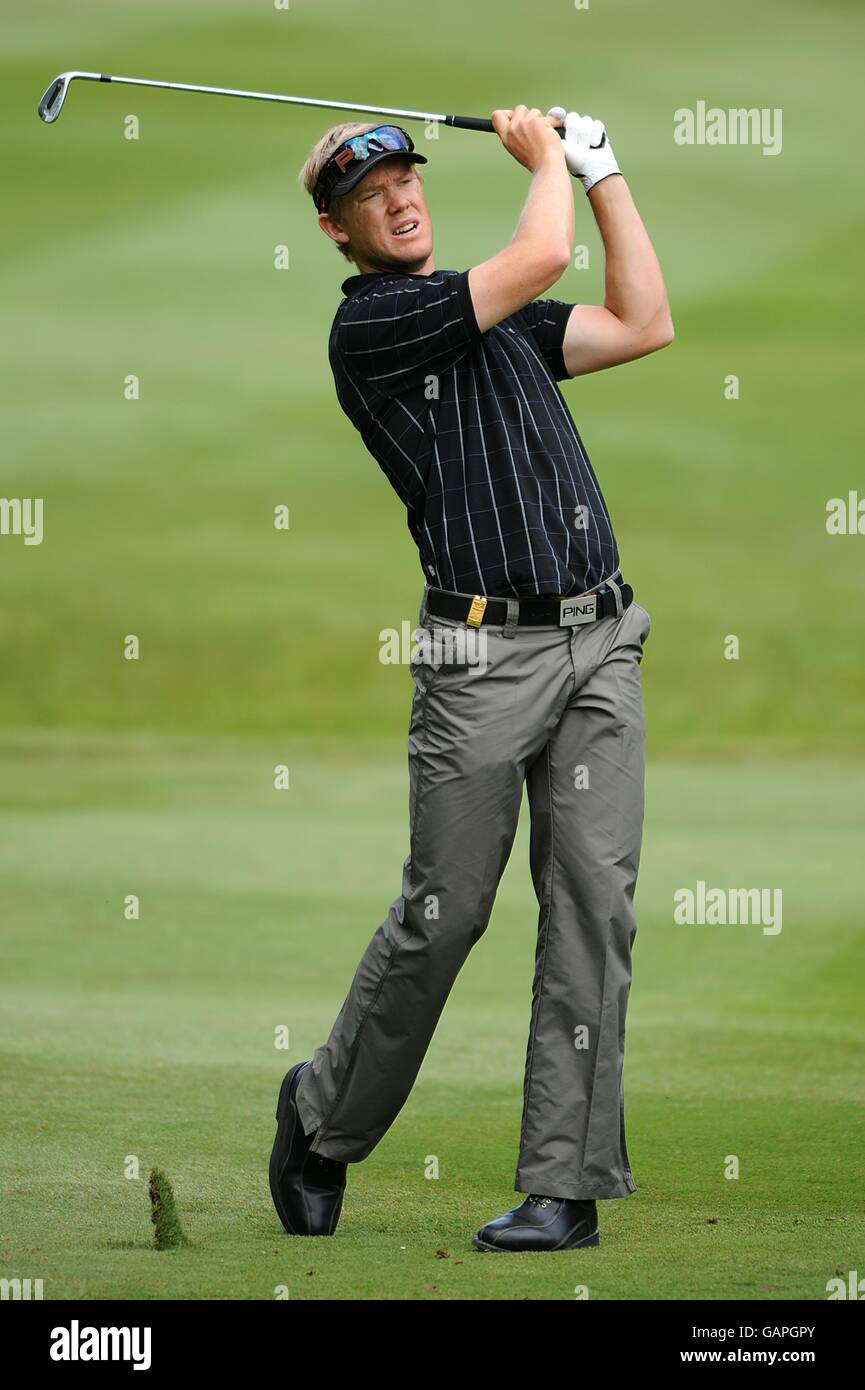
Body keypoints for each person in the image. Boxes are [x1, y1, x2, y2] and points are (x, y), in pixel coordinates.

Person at [269, 105, 674, 1252]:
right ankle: (320, 1114)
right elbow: (537, 253)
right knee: (444, 914)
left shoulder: (502, 325)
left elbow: (645, 321)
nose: (398, 200)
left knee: (593, 909)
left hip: (600, 640)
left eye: (404, 179)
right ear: (337, 231)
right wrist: (543, 157)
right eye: (368, 196)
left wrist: (602, 168)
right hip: (478, 659)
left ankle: (566, 1184)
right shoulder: (379, 325)